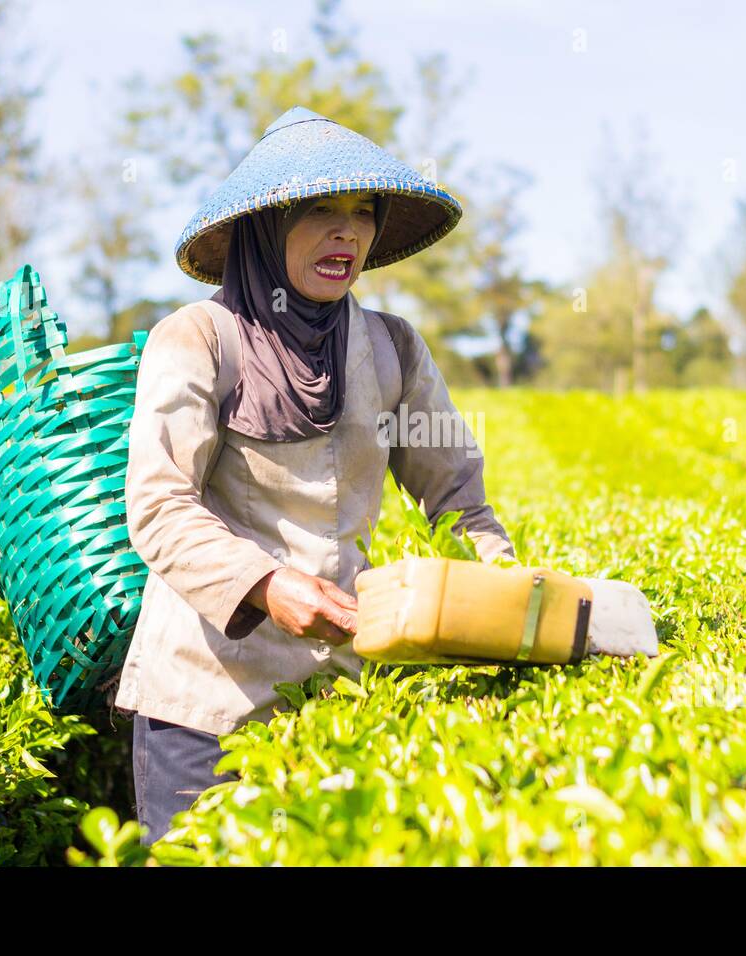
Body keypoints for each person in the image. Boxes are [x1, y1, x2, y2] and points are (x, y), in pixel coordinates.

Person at [111, 106, 515, 846]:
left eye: (363, 213)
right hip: (205, 697)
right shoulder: (199, 339)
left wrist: (509, 589)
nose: (348, 233)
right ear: (266, 229)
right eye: (321, 211)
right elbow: (160, 505)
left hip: (338, 694)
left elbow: (457, 495)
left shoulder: (391, 347)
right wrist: (268, 586)